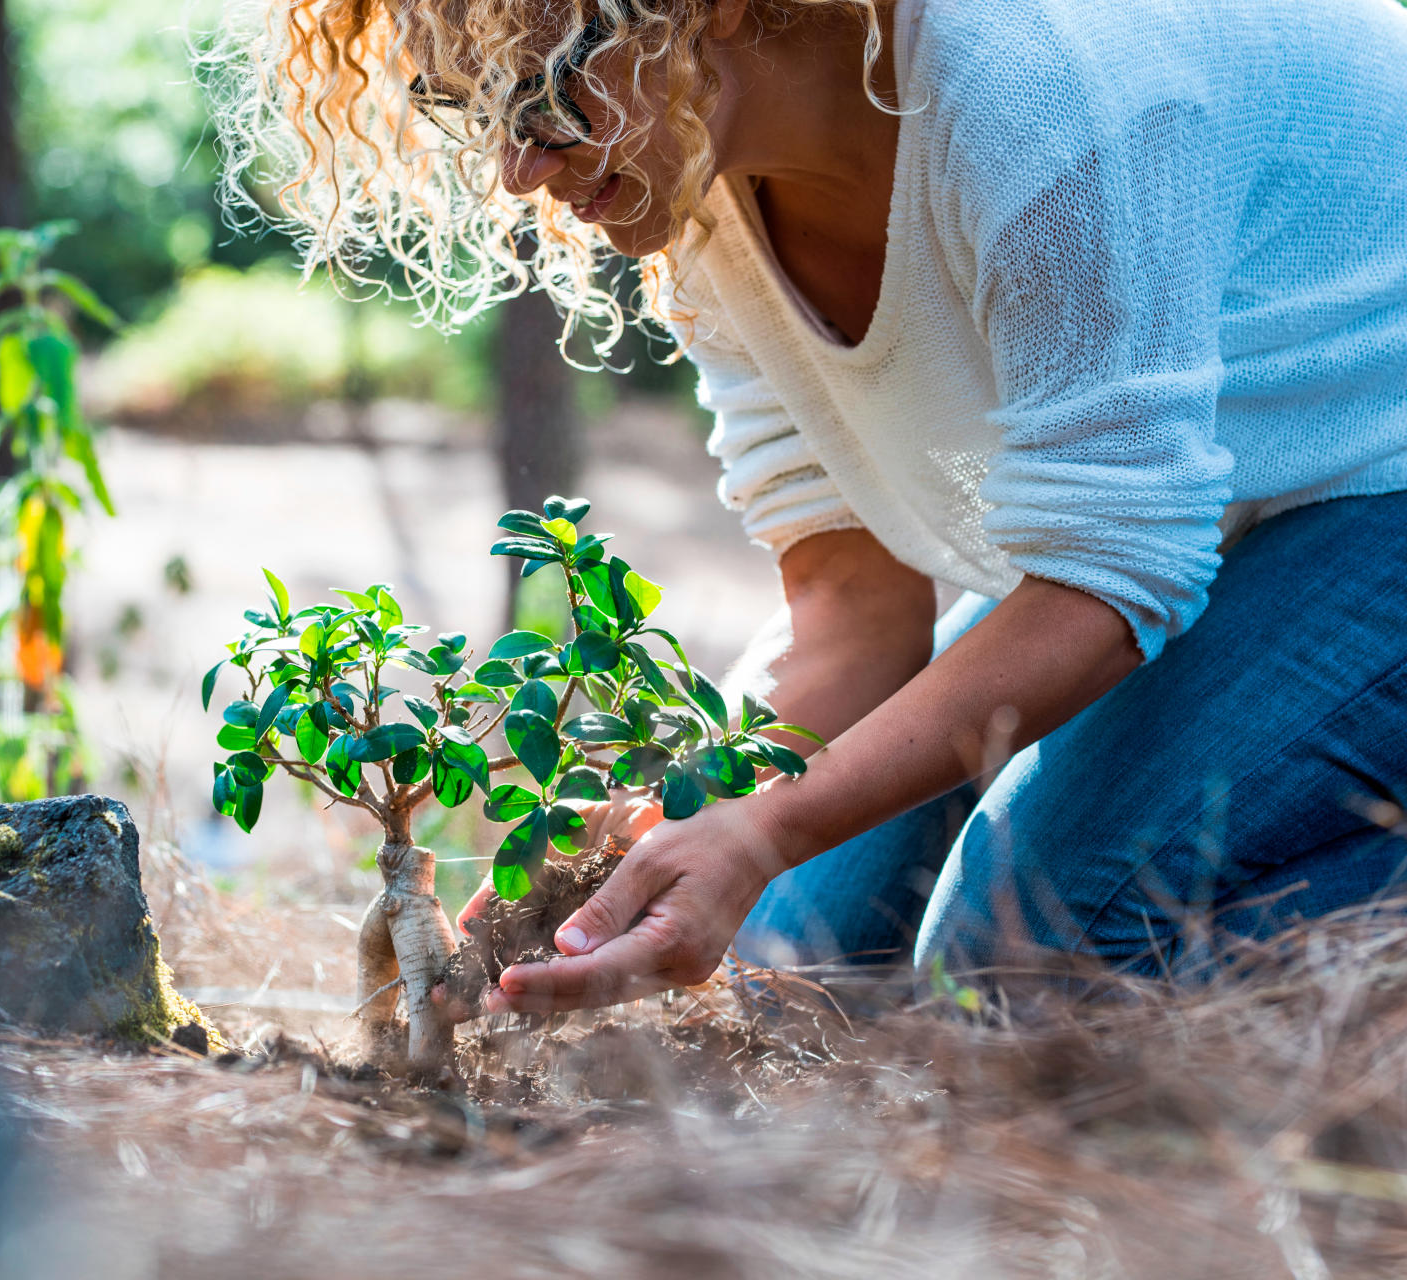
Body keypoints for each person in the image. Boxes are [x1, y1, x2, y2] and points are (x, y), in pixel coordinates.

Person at [221, 0, 1407, 1010]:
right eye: (470, 111)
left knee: (1017, 972)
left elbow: (1112, 573)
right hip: (1230, 515)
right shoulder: (703, 194)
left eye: (539, 95)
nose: (515, 168)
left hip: (1377, 488)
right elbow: (853, 612)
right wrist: (647, 821)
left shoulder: (1035, 95)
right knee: (803, 964)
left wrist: (764, 825)